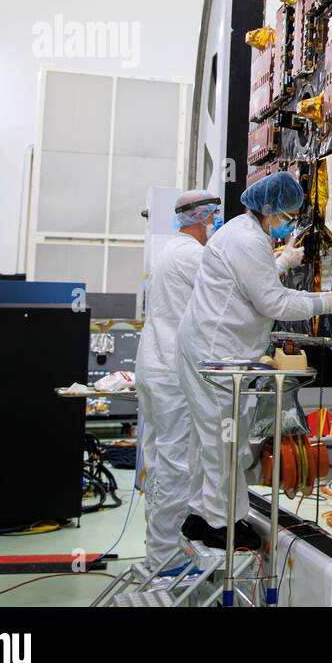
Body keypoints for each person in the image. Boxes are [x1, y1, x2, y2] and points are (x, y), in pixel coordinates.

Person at [176, 172, 332, 551]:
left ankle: (198, 515)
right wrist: (328, 300)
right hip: (218, 355)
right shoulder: (248, 240)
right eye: (288, 215)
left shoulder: (241, 232)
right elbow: (273, 302)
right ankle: (224, 527)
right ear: (271, 209)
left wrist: (282, 261)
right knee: (226, 439)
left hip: (205, 348)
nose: (290, 222)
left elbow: (245, 282)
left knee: (207, 438)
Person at [134, 189, 219, 571]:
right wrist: (278, 264)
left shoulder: (170, 251)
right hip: (171, 373)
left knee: (159, 459)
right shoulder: (192, 256)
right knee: (176, 465)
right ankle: (168, 563)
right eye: (213, 217)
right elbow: (232, 289)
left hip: (154, 366)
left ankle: (159, 552)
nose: (214, 223)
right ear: (202, 217)